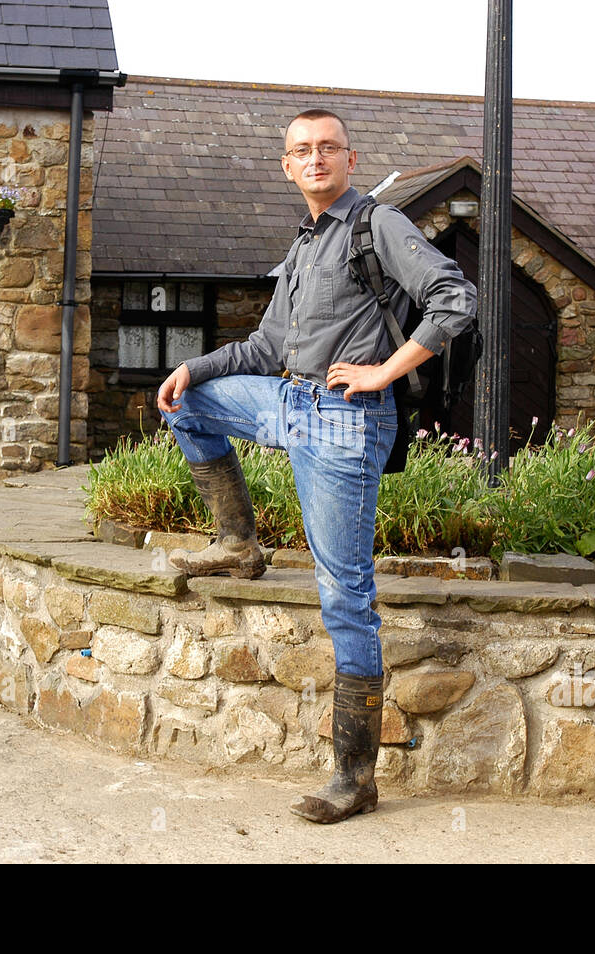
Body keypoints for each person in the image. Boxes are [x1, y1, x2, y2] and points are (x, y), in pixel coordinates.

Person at [155, 108, 477, 823]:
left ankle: (354, 777)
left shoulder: (378, 225)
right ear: (287, 166)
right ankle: (239, 544)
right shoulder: (303, 245)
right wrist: (192, 367)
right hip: (285, 400)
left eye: (328, 147)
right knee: (189, 406)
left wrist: (384, 371)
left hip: (344, 423)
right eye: (302, 150)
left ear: (350, 158)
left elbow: (455, 300)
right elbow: (266, 346)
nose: (315, 158)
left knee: (345, 598)